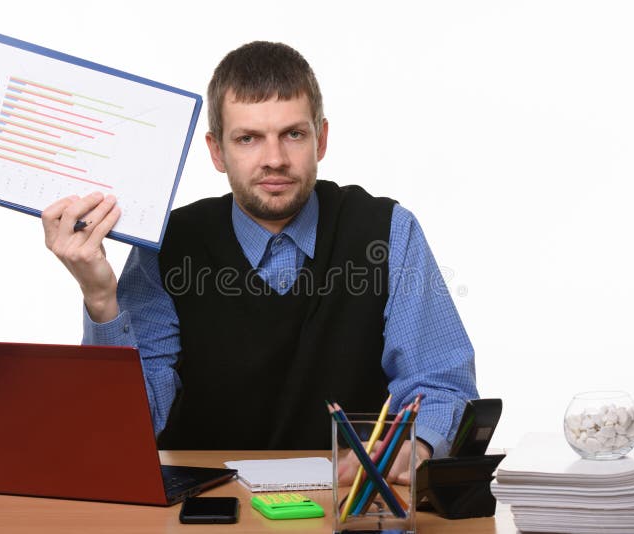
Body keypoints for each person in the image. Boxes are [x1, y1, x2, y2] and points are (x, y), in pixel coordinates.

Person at [41, 41, 478, 484]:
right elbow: (126, 428)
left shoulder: (387, 232)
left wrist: (416, 444)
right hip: (206, 506)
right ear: (216, 151)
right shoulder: (167, 245)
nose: (275, 159)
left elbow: (440, 384)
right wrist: (100, 298)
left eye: (293, 134)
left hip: (345, 505)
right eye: (248, 138)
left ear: (321, 139)